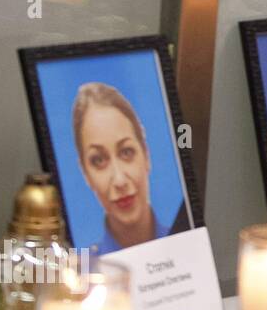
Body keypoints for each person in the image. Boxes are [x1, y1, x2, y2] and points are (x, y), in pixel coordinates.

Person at [71, 82, 188, 253]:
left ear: (146, 155)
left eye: (126, 152)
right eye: (98, 160)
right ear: (85, 173)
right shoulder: (82, 271)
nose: (119, 180)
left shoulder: (187, 247)